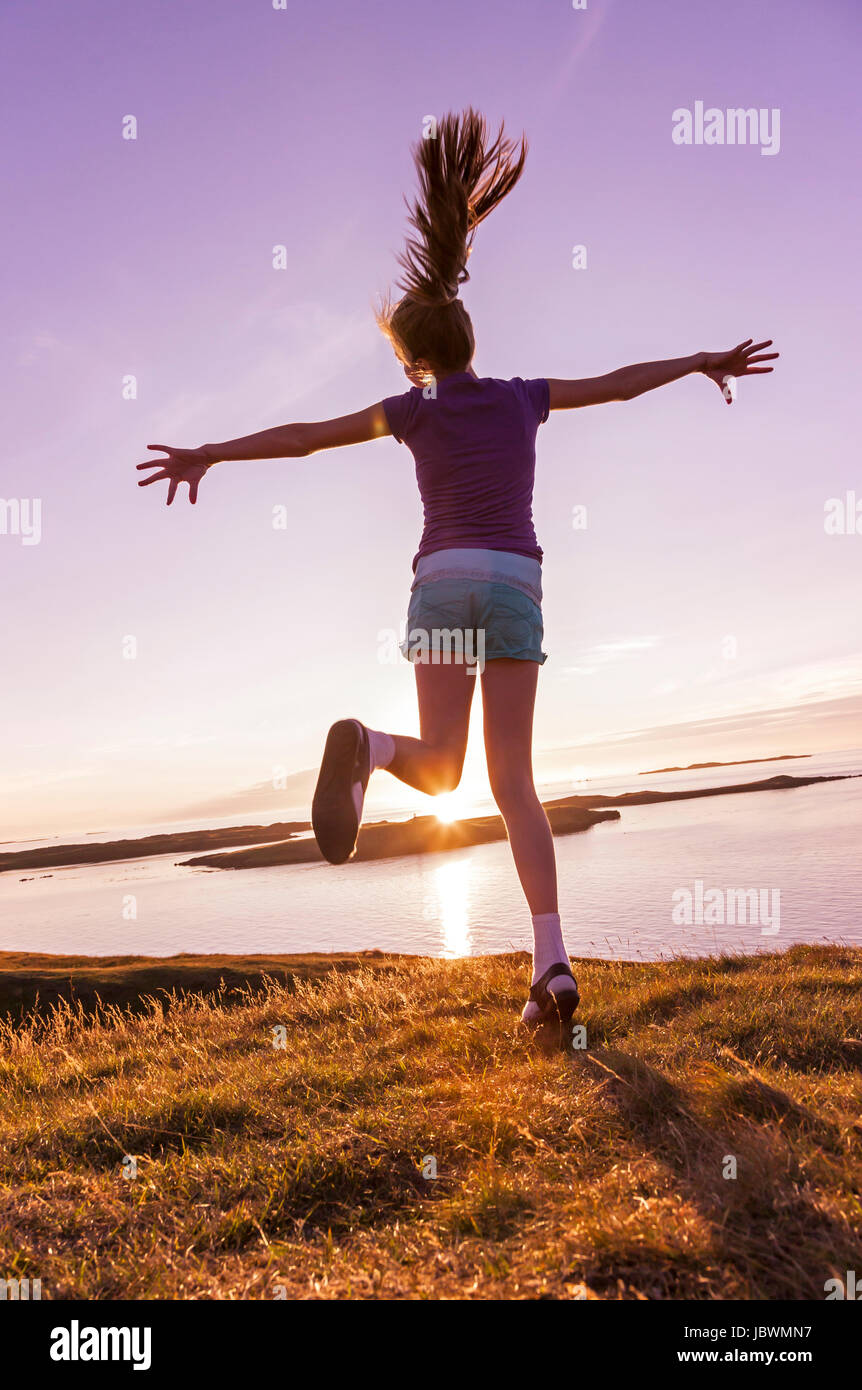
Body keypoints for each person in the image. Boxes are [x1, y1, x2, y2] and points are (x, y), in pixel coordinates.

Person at [137, 108, 777, 1034]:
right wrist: (701, 360)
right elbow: (620, 381)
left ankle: (371, 745)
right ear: (470, 341)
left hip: (441, 581)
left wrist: (212, 451)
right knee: (512, 784)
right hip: (514, 583)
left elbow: (307, 440)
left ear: (415, 354)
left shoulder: (410, 410)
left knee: (439, 771)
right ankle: (551, 968)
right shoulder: (524, 398)